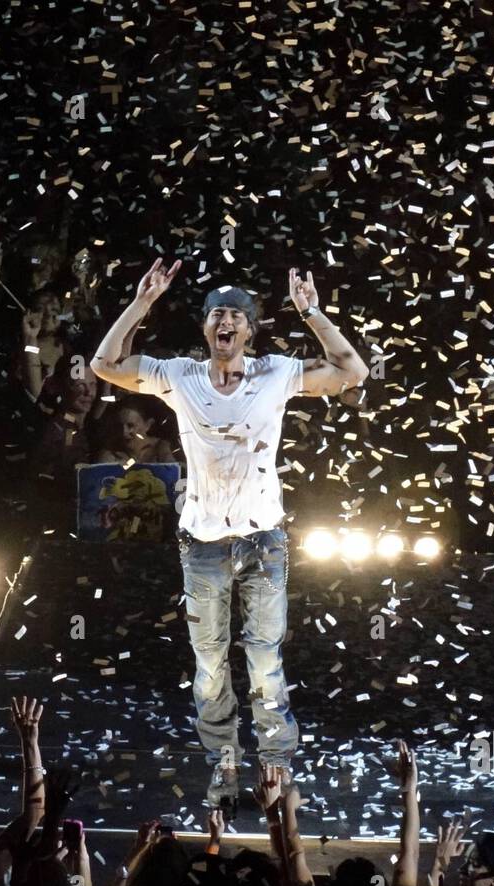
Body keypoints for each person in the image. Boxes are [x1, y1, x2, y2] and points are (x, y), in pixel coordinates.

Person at [91, 260, 369, 802]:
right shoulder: (179, 375)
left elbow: (352, 371)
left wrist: (312, 312)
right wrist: (142, 303)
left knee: (265, 658)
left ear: (249, 329)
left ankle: (274, 763)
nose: (226, 322)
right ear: (205, 328)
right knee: (210, 661)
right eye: (217, 314)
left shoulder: (277, 373)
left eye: (236, 316)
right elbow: (105, 364)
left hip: (263, 540)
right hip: (202, 544)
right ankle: (224, 761)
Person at [96, 395, 176, 464]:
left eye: (131, 426)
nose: (124, 432)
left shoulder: (163, 449)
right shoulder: (111, 452)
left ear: (148, 425)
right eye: (119, 426)